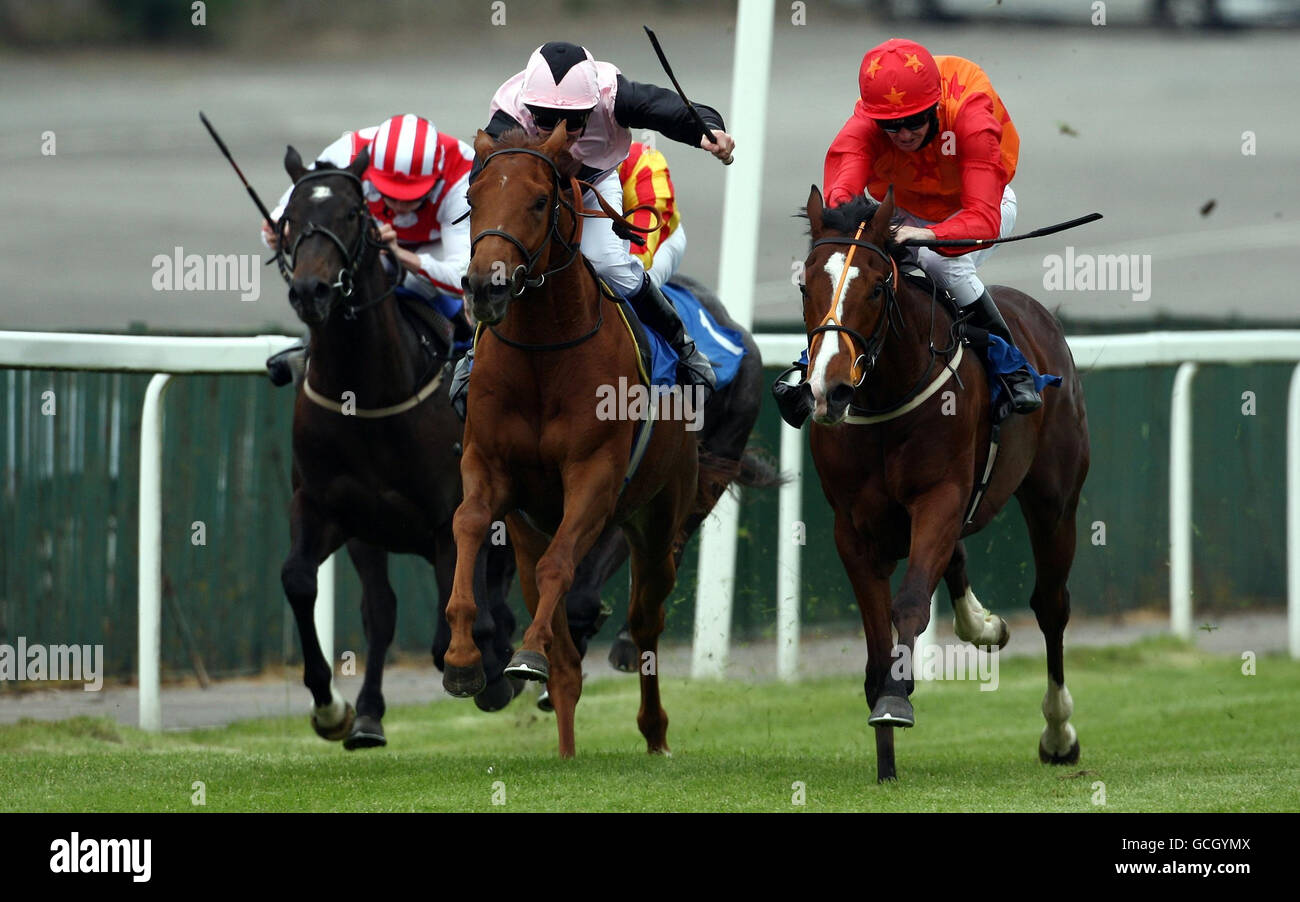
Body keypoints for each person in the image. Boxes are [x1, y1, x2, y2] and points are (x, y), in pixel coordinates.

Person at [451, 41, 734, 409]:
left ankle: (684, 348)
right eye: (545, 119)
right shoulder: (509, 110)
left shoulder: (613, 95)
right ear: (528, 108)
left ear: (593, 107)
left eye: (575, 121)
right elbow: (485, 187)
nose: (560, 131)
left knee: (608, 265)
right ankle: (473, 358)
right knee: (495, 265)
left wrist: (707, 131)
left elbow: (671, 110)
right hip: (528, 195)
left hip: (590, 184)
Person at [822, 37, 1041, 413]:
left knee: (940, 263)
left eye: (913, 122)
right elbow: (840, 199)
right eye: (891, 126)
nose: (904, 135)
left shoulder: (971, 113)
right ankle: (811, 369)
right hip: (905, 210)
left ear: (935, 106)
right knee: (848, 267)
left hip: (981, 205)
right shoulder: (865, 124)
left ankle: (1012, 368)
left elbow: (982, 218)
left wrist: (927, 235)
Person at [261, 113, 475, 385]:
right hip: (372, 241)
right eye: (389, 193)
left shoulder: (463, 171)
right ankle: (310, 346)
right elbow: (288, 208)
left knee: (461, 295)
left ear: (437, 175)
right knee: (343, 271)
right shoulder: (347, 152)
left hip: (435, 247)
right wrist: (278, 229)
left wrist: (402, 255)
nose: (397, 206)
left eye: (410, 198)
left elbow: (460, 276)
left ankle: (465, 352)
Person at [617, 140, 686, 288]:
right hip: (609, 235)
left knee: (630, 281)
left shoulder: (643, 159)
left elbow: (641, 248)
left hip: (659, 238)